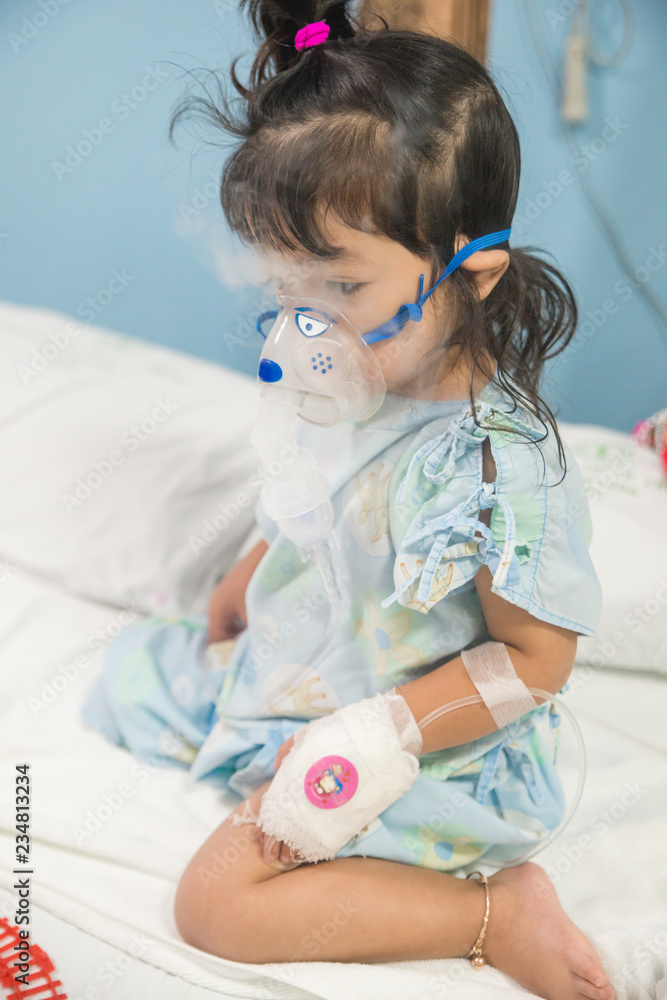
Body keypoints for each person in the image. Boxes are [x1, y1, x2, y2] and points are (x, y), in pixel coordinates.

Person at [81, 3, 616, 997]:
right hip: (312, 670)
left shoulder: (498, 469)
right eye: (286, 293)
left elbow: (535, 660)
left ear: (473, 273)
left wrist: (377, 737)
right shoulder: (357, 383)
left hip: (421, 738)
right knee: (127, 678)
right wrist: (250, 573)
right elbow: (314, 497)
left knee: (217, 904)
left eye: (337, 292)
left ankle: (494, 912)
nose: (304, 328)